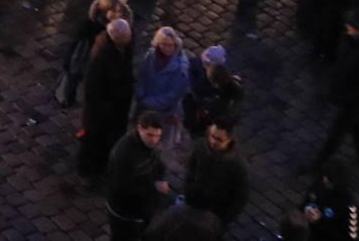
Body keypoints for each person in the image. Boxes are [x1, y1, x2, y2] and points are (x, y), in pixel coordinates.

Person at [314, 9, 359, 171]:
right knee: (355, 126)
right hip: (349, 95)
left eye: (351, 25)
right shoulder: (352, 41)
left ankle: (319, 162)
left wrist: (348, 95)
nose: (347, 27)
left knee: (337, 132)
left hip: (355, 99)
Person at [76, 18, 135, 177]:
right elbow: (93, 91)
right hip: (102, 113)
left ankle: (104, 167)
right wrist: (106, 109)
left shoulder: (125, 48)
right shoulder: (102, 58)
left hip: (118, 109)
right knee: (94, 143)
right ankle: (88, 173)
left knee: (111, 141)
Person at [105, 108, 173, 241]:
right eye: (150, 135)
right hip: (125, 212)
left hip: (142, 209)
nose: (154, 140)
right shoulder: (123, 152)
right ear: (139, 128)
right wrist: (155, 187)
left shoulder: (149, 145)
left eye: (158, 136)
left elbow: (157, 163)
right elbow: (123, 187)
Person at [183, 118, 249, 230]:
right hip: (193, 203)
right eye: (212, 136)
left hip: (214, 216)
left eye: (219, 139)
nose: (213, 141)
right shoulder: (201, 146)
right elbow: (191, 168)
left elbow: (240, 199)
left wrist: (222, 222)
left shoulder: (238, 166)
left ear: (229, 140)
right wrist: (188, 189)